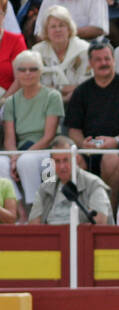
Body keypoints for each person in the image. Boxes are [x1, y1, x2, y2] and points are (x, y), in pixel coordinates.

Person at [65, 38, 119, 207]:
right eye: (98, 60)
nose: (104, 63)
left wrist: (115, 141)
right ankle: (81, 214)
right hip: (90, 149)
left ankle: (109, 216)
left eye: (107, 59)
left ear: (114, 60)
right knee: (72, 161)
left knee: (110, 160)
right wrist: (83, 144)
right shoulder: (81, 91)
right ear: (90, 64)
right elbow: (73, 130)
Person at [1, 49, 63, 209]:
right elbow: (9, 139)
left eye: (33, 69)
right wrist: (14, 158)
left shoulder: (52, 96)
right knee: (1, 163)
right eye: (22, 69)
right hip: (20, 150)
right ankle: (18, 211)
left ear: (40, 71)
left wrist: (20, 157)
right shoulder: (11, 102)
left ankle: (36, 211)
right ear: (17, 73)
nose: (27, 73)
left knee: (27, 162)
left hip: (47, 149)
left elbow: (48, 136)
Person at [28, 135, 113, 222]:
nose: (62, 166)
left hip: (81, 235)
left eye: (65, 160)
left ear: (76, 159)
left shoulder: (94, 184)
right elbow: (34, 226)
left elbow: (99, 224)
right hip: (51, 234)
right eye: (57, 161)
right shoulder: (45, 189)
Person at [33, 5, 91, 101]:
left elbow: (88, 83)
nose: (58, 30)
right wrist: (61, 91)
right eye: (53, 26)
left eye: (61, 25)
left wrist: (65, 93)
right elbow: (34, 85)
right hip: (45, 102)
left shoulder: (84, 49)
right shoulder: (37, 52)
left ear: (69, 29)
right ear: (46, 31)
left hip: (80, 100)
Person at [34, 0, 108, 41]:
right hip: (52, 47)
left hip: (87, 46)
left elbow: (98, 28)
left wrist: (65, 33)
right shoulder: (48, 1)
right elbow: (39, 33)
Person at [0, 0, 27, 95]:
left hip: (7, 101)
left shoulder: (16, 41)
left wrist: (4, 101)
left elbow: (21, 77)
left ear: (4, 16)